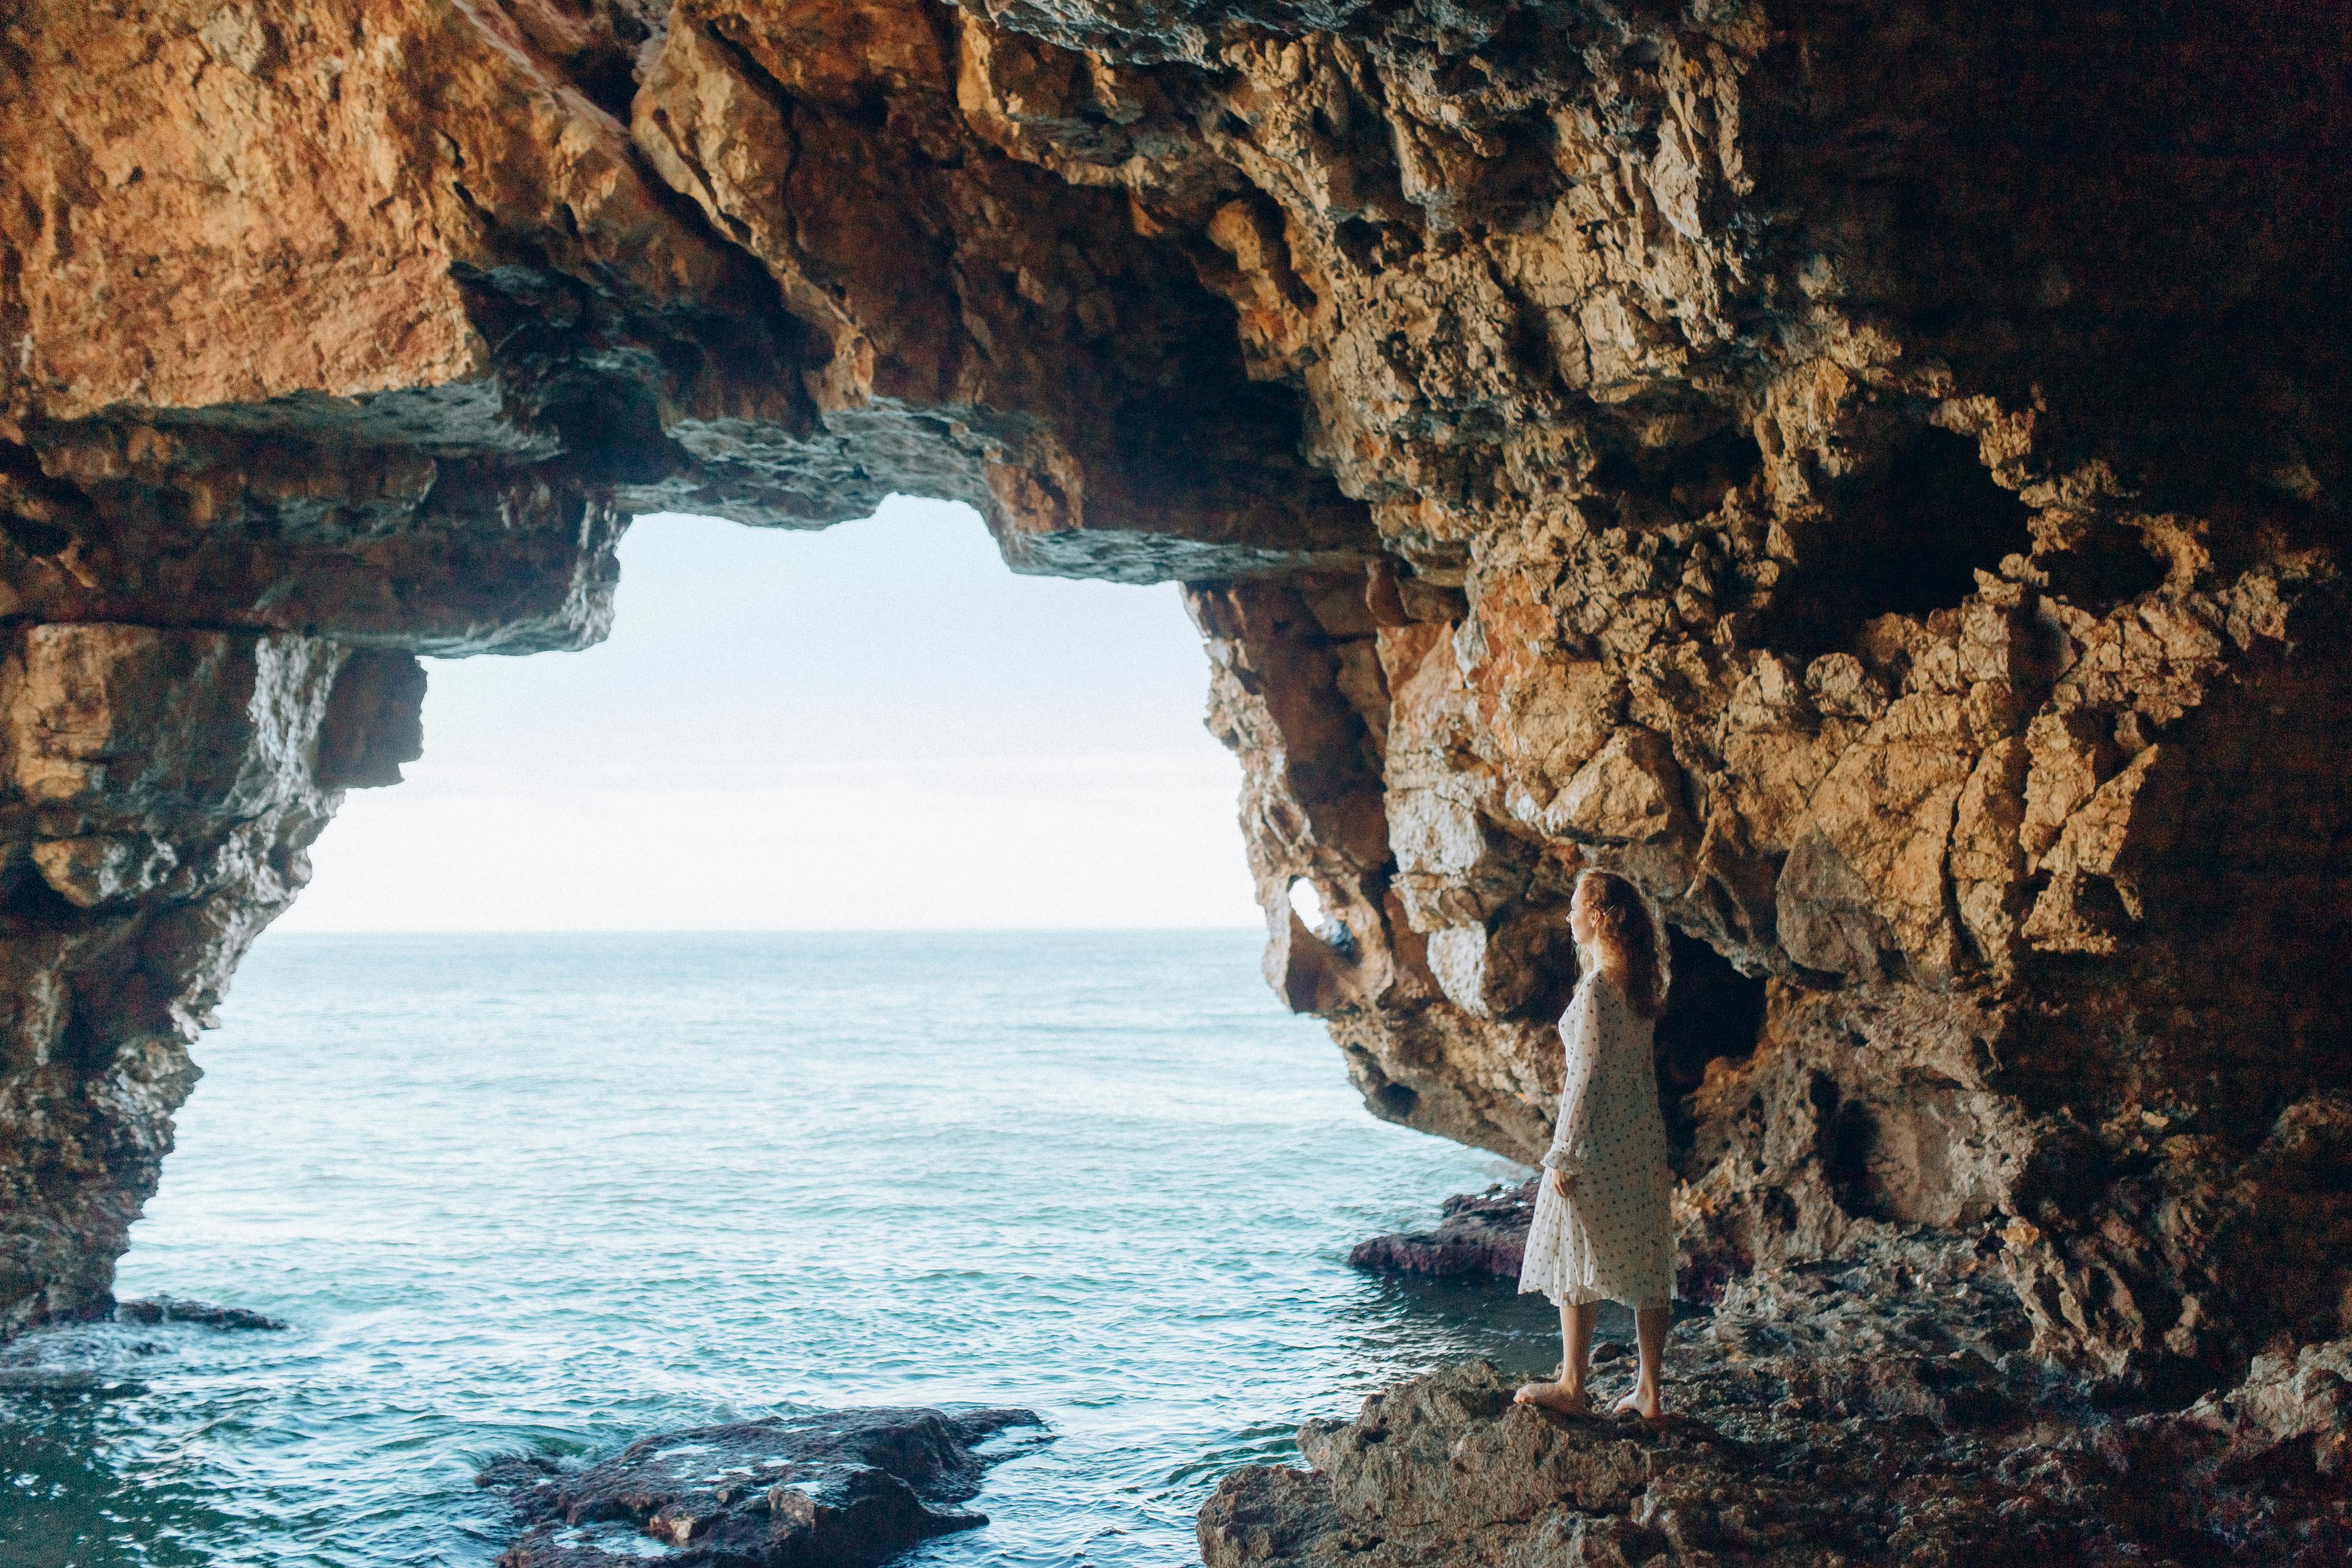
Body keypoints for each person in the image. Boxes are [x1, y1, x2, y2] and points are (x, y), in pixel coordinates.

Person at [1513, 868, 1676, 1419]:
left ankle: (1572, 1384)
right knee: (1648, 1257)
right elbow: (1642, 1074)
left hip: (1599, 1140)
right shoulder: (1639, 987)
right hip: (1641, 1138)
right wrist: (1658, 1149)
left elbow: (1584, 1077)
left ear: (1600, 916)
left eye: (1576, 905)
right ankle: (1650, 1391)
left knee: (1574, 1249)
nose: (1568, 915)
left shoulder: (1598, 989)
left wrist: (1564, 1152)